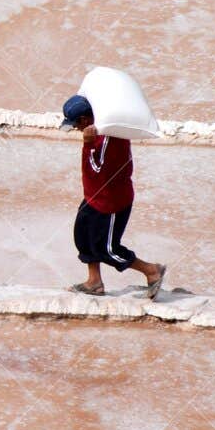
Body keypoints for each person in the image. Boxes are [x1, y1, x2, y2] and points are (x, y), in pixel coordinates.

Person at [60, 94, 168, 299]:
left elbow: (96, 170)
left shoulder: (108, 137)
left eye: (76, 124)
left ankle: (151, 270)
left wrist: (88, 144)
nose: (75, 128)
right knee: (82, 237)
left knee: (106, 249)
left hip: (110, 203)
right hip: (93, 197)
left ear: (85, 119)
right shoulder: (103, 127)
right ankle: (94, 282)